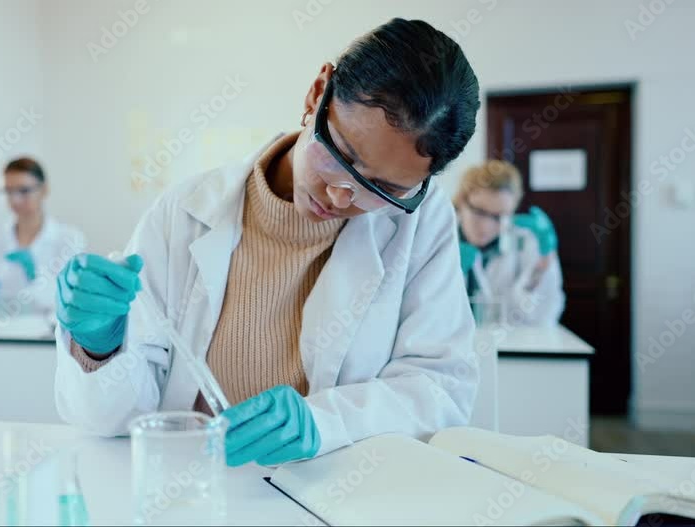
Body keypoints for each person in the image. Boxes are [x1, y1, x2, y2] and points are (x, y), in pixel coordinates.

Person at [55, 18, 481, 467]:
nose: (341, 196)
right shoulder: (183, 212)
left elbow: (440, 391)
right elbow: (116, 421)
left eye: (385, 190)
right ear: (318, 93)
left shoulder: (422, 223)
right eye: (343, 155)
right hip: (199, 486)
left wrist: (325, 424)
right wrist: (98, 347)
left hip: (332, 495)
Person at [0, 157, 86, 315]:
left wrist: (36, 277)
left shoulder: (69, 239)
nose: (15, 199)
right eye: (8, 191)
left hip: (44, 335)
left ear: (44, 190)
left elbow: (72, 298)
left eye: (23, 191)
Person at [454, 160, 565, 326]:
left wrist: (544, 263)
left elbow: (544, 317)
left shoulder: (525, 242)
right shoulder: (438, 238)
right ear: (461, 202)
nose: (486, 226)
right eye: (479, 212)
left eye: (498, 216)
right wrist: (450, 274)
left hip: (507, 346)